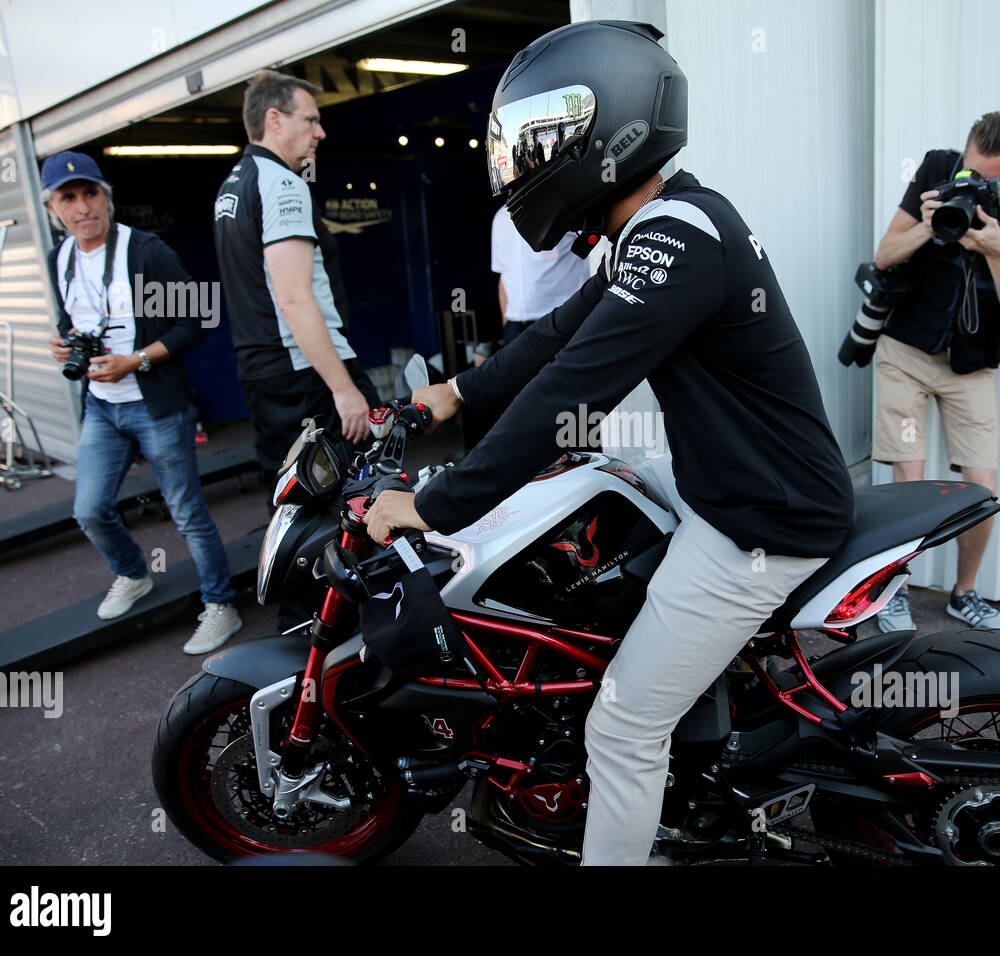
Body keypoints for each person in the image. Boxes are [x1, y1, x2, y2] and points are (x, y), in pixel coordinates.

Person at [362, 20, 854, 865]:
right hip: (725, 478)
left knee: (622, 726)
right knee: (587, 485)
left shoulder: (675, 238)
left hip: (759, 521)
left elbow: (567, 391)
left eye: (538, 140)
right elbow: (555, 337)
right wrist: (450, 394)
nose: (522, 163)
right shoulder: (664, 222)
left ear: (603, 129)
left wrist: (433, 504)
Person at [42, 151, 242, 655]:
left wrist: (136, 360)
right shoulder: (60, 258)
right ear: (53, 210)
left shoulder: (144, 251)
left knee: (187, 512)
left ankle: (222, 606)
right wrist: (67, 343)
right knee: (89, 509)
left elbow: (196, 321)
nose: (83, 207)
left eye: (90, 193)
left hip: (155, 404)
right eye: (69, 198)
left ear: (105, 197)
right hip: (102, 406)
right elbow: (80, 319)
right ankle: (134, 572)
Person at [870, 111, 1000, 633]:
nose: (978, 187)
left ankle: (964, 593)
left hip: (972, 367)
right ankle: (893, 591)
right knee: (909, 478)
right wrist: (928, 227)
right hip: (906, 351)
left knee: (981, 486)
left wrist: (998, 249)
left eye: (994, 181)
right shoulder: (937, 170)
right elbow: (885, 255)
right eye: (973, 172)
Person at [212, 70, 381, 482]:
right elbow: (293, 299)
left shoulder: (233, 184)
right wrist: (344, 390)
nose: (320, 132)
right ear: (275, 119)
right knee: (367, 489)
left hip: (263, 372)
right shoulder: (282, 183)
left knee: (294, 495)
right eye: (310, 120)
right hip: (304, 374)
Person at [491, 205, 587, 346]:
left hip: (561, 321)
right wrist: (506, 323)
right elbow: (504, 275)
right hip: (515, 327)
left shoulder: (563, 205)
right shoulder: (500, 217)